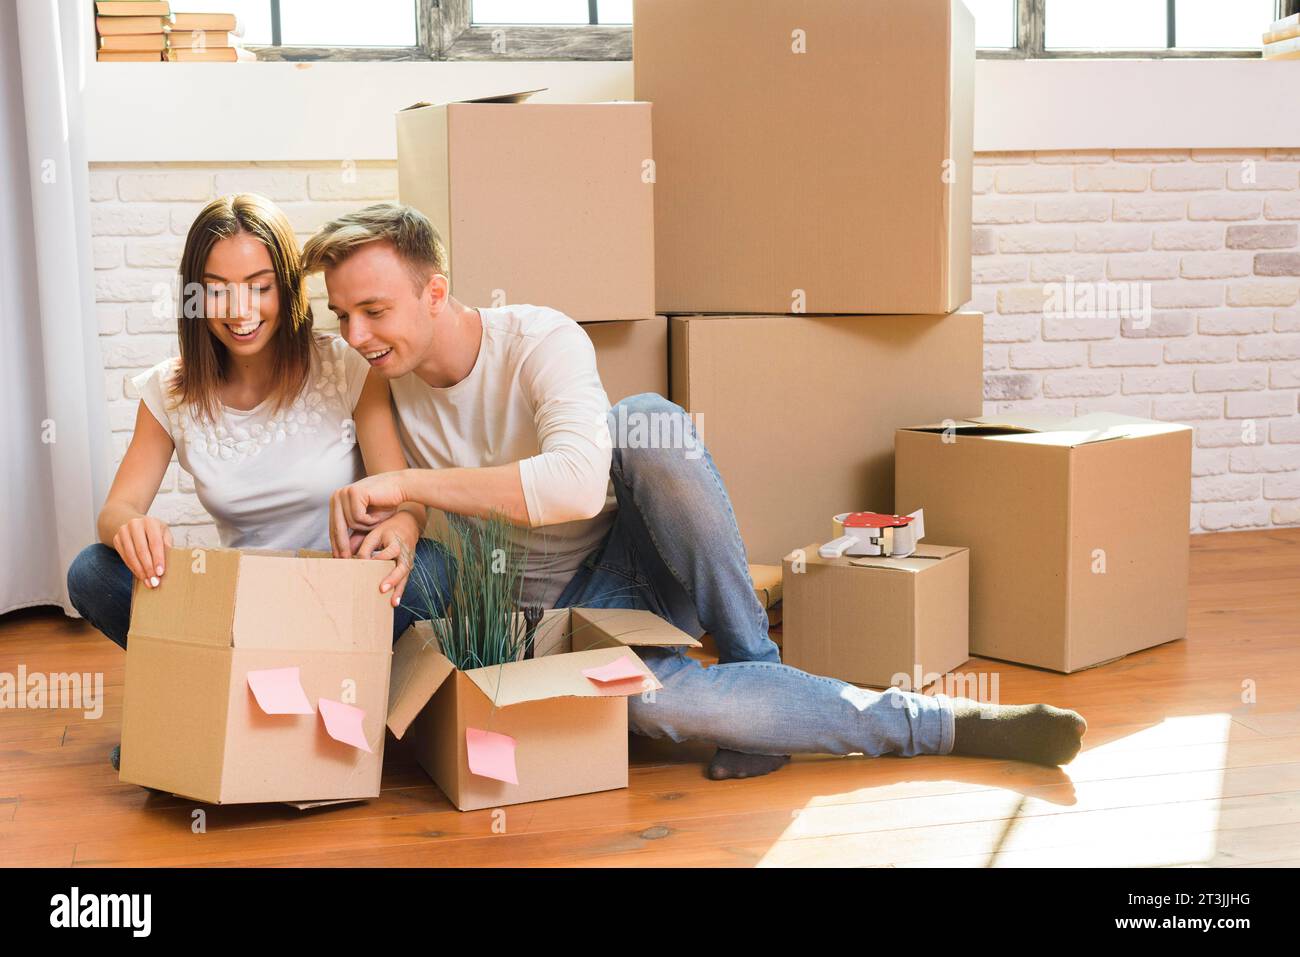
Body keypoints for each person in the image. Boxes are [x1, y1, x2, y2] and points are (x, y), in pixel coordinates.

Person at [304, 203, 1088, 780]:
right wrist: (401, 523)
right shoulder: (377, 379)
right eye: (343, 314)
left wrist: (408, 482)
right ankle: (858, 716)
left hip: (626, 573)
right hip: (512, 613)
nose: (358, 334)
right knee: (646, 709)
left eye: (375, 310)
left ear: (435, 292)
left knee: (647, 426)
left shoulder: (540, 340)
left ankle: (792, 669)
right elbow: (397, 501)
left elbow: (577, 485)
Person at [66, 194, 426, 768]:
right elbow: (117, 509)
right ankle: (284, 711)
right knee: (90, 570)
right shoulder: (170, 390)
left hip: (336, 601)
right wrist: (131, 527)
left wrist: (404, 528)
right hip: (238, 617)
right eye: (216, 288)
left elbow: (404, 494)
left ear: (286, 287)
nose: (240, 309)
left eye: (259, 285)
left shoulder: (348, 367)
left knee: (434, 570)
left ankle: (226, 715)